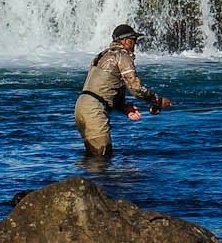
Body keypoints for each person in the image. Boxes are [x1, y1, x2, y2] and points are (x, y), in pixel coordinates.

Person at [74, 23, 174, 157]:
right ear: (126, 41)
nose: (135, 45)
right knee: (102, 157)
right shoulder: (122, 56)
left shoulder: (102, 55)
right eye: (134, 41)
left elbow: (106, 87)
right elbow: (135, 88)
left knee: (93, 156)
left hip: (81, 106)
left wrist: (123, 107)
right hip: (94, 110)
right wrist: (158, 101)